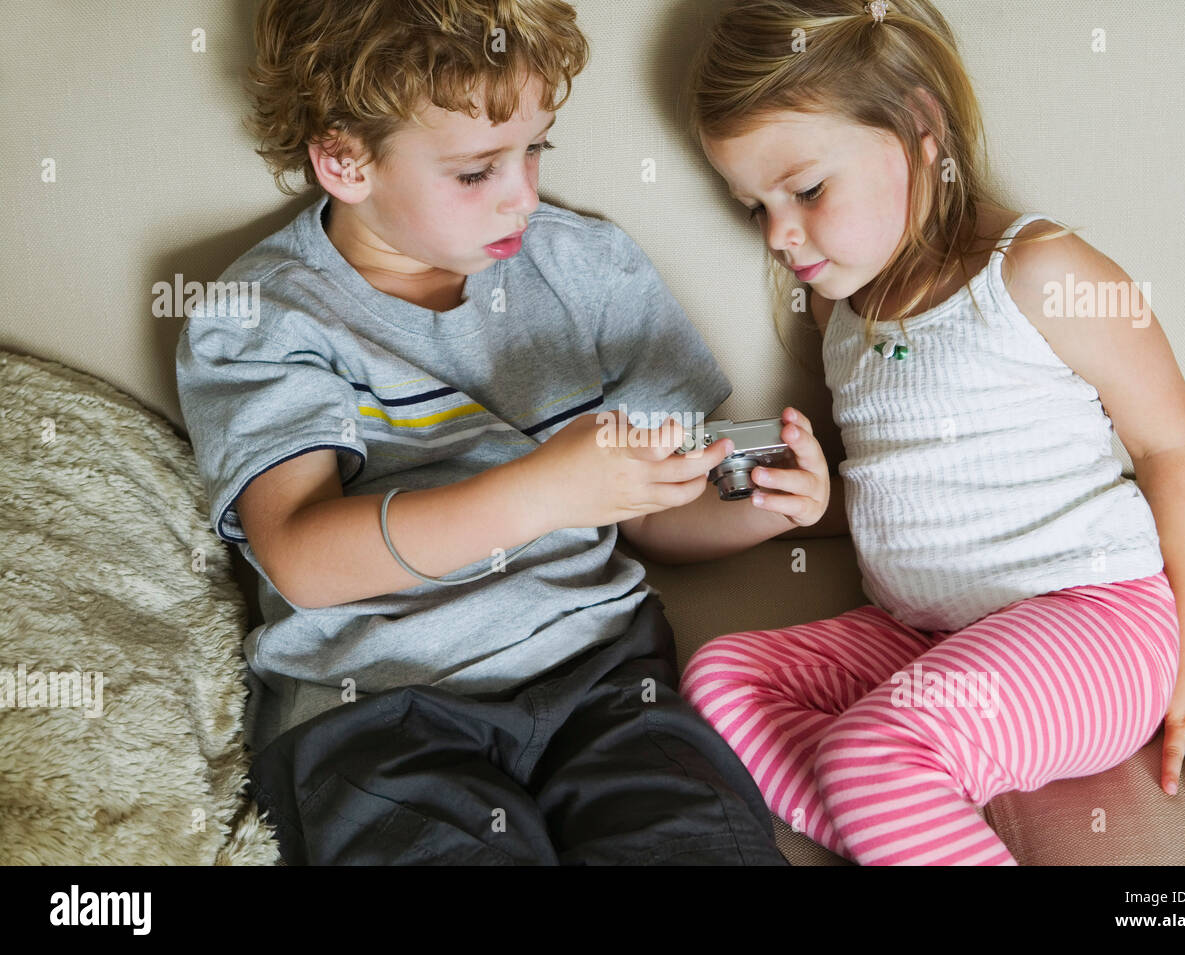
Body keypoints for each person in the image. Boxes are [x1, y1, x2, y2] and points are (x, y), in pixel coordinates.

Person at [174, 0, 835, 865]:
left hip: (603, 680)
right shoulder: (265, 316)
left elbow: (655, 517)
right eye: (476, 171)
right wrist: (539, 493)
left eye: (535, 148)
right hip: (376, 714)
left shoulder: (588, 269)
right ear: (343, 159)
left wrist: (763, 510)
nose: (523, 194)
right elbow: (302, 556)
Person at [679, 0, 1185, 865]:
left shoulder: (1037, 270)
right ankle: (908, 816)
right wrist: (815, 498)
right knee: (718, 680)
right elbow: (897, 484)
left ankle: (893, 788)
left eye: (805, 190)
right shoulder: (845, 319)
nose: (777, 234)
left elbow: (1173, 448)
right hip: (924, 633)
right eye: (753, 206)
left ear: (920, 126)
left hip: (1092, 622)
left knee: (867, 752)